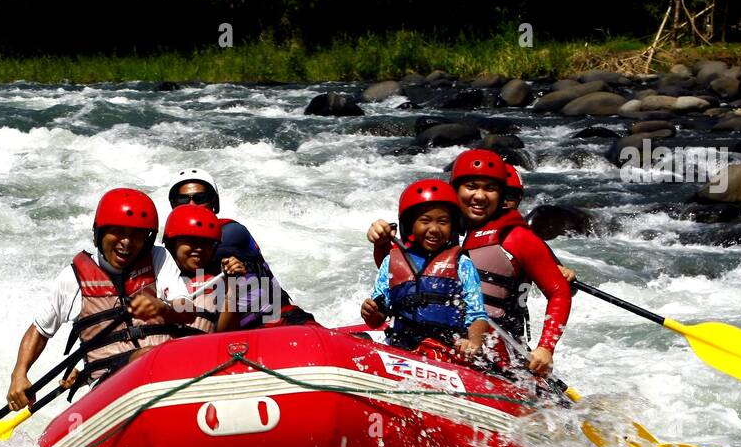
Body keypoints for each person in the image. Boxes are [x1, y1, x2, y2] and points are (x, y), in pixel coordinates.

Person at [367, 151, 572, 375]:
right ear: (455, 190)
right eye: (472, 186)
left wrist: (546, 348)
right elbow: (402, 277)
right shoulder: (439, 231)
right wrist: (381, 243)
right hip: (432, 339)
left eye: (490, 188)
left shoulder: (516, 238)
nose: (480, 196)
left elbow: (558, 292)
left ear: (501, 195)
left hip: (492, 351)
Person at [6, 188, 199, 409]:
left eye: (136, 235)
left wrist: (163, 308)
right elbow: (40, 331)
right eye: (118, 232)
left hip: (166, 369)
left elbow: (187, 311)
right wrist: (19, 375)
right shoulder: (73, 278)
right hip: (107, 383)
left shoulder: (158, 258)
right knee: (146, 357)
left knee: (156, 356)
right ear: (100, 232)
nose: (127, 242)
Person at [167, 168, 317, 327]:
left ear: (214, 203)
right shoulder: (169, 249)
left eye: (200, 198)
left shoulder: (232, 232)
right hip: (229, 332)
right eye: (183, 200)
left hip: (276, 320)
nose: (191, 205)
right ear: (173, 205)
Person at [360, 179, 490, 359]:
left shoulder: (462, 264)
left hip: (447, 352)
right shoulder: (392, 261)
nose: (434, 229)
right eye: (425, 221)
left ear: (454, 225)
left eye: (443, 222)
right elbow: (376, 320)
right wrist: (370, 311)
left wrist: (473, 342)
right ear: (410, 224)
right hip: (403, 349)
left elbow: (477, 315)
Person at [160, 203, 247, 333]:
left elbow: (226, 333)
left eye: (207, 243)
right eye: (191, 241)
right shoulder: (155, 271)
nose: (199, 249)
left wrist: (232, 285)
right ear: (172, 243)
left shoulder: (218, 280)